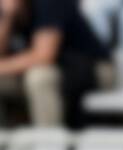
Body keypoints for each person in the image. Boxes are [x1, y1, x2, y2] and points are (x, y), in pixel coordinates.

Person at [0, 0, 113, 128]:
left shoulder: (51, 3)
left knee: (39, 78)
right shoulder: (7, 8)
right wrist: (7, 16)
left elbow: (44, 56)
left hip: (95, 68)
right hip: (55, 67)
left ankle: (49, 144)